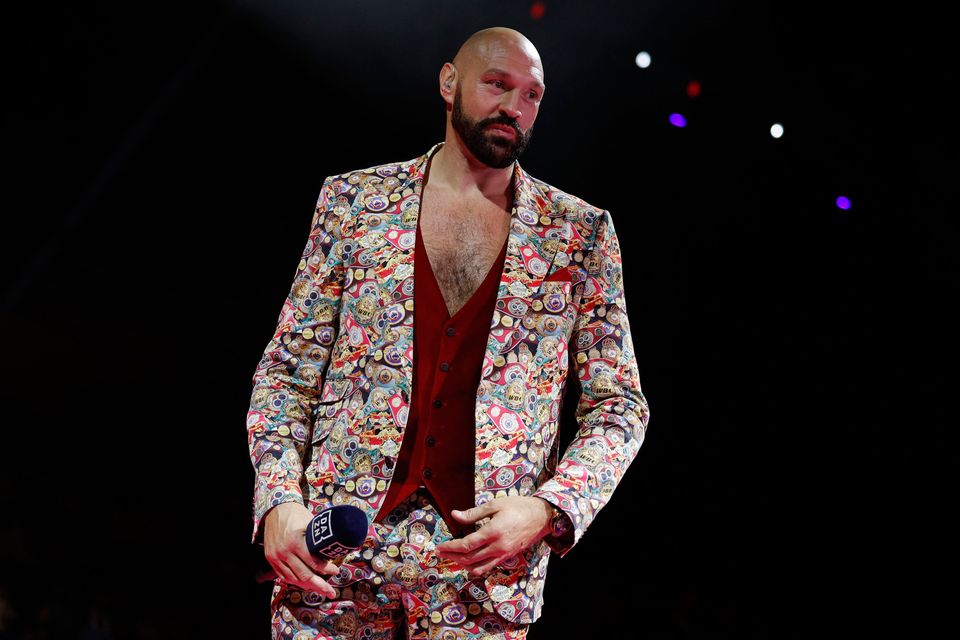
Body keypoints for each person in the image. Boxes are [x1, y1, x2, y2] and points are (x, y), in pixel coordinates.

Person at [246, 26, 650, 640]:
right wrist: (278, 499)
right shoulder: (355, 202)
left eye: (533, 95)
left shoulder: (580, 235)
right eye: (497, 84)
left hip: (485, 578)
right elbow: (286, 372)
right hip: (333, 564)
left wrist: (548, 508)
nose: (514, 107)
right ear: (448, 82)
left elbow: (619, 408)